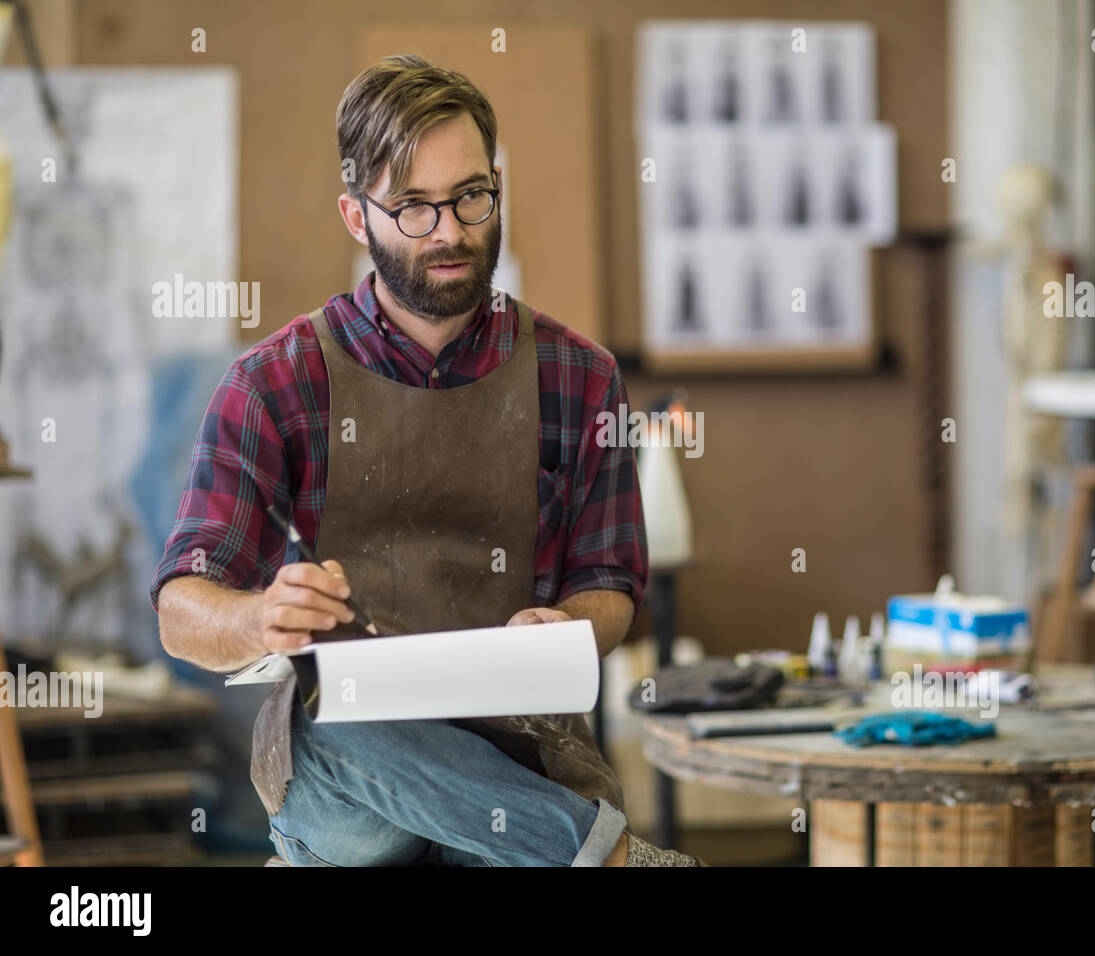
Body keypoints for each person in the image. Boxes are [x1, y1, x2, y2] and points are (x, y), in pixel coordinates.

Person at [151, 54, 703, 867]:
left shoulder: (580, 378)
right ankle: (611, 860)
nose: (449, 231)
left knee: (495, 804)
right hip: (348, 788)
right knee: (333, 706)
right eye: (412, 207)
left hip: (523, 755)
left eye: (471, 196)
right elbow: (180, 607)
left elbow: (611, 586)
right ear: (355, 216)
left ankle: (562, 840)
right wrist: (254, 617)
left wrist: (569, 625)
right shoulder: (273, 383)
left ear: (497, 185)